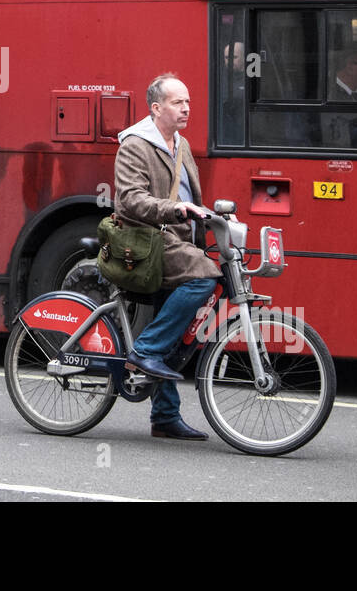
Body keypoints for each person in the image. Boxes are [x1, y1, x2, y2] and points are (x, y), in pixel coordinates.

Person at [115, 73, 222, 441]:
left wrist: (210, 217)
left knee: (170, 321)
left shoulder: (181, 144)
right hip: (149, 241)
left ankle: (164, 417)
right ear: (156, 108)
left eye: (188, 101)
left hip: (176, 241)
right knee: (206, 278)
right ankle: (144, 350)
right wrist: (176, 211)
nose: (187, 108)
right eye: (179, 102)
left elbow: (189, 194)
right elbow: (130, 199)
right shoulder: (135, 145)